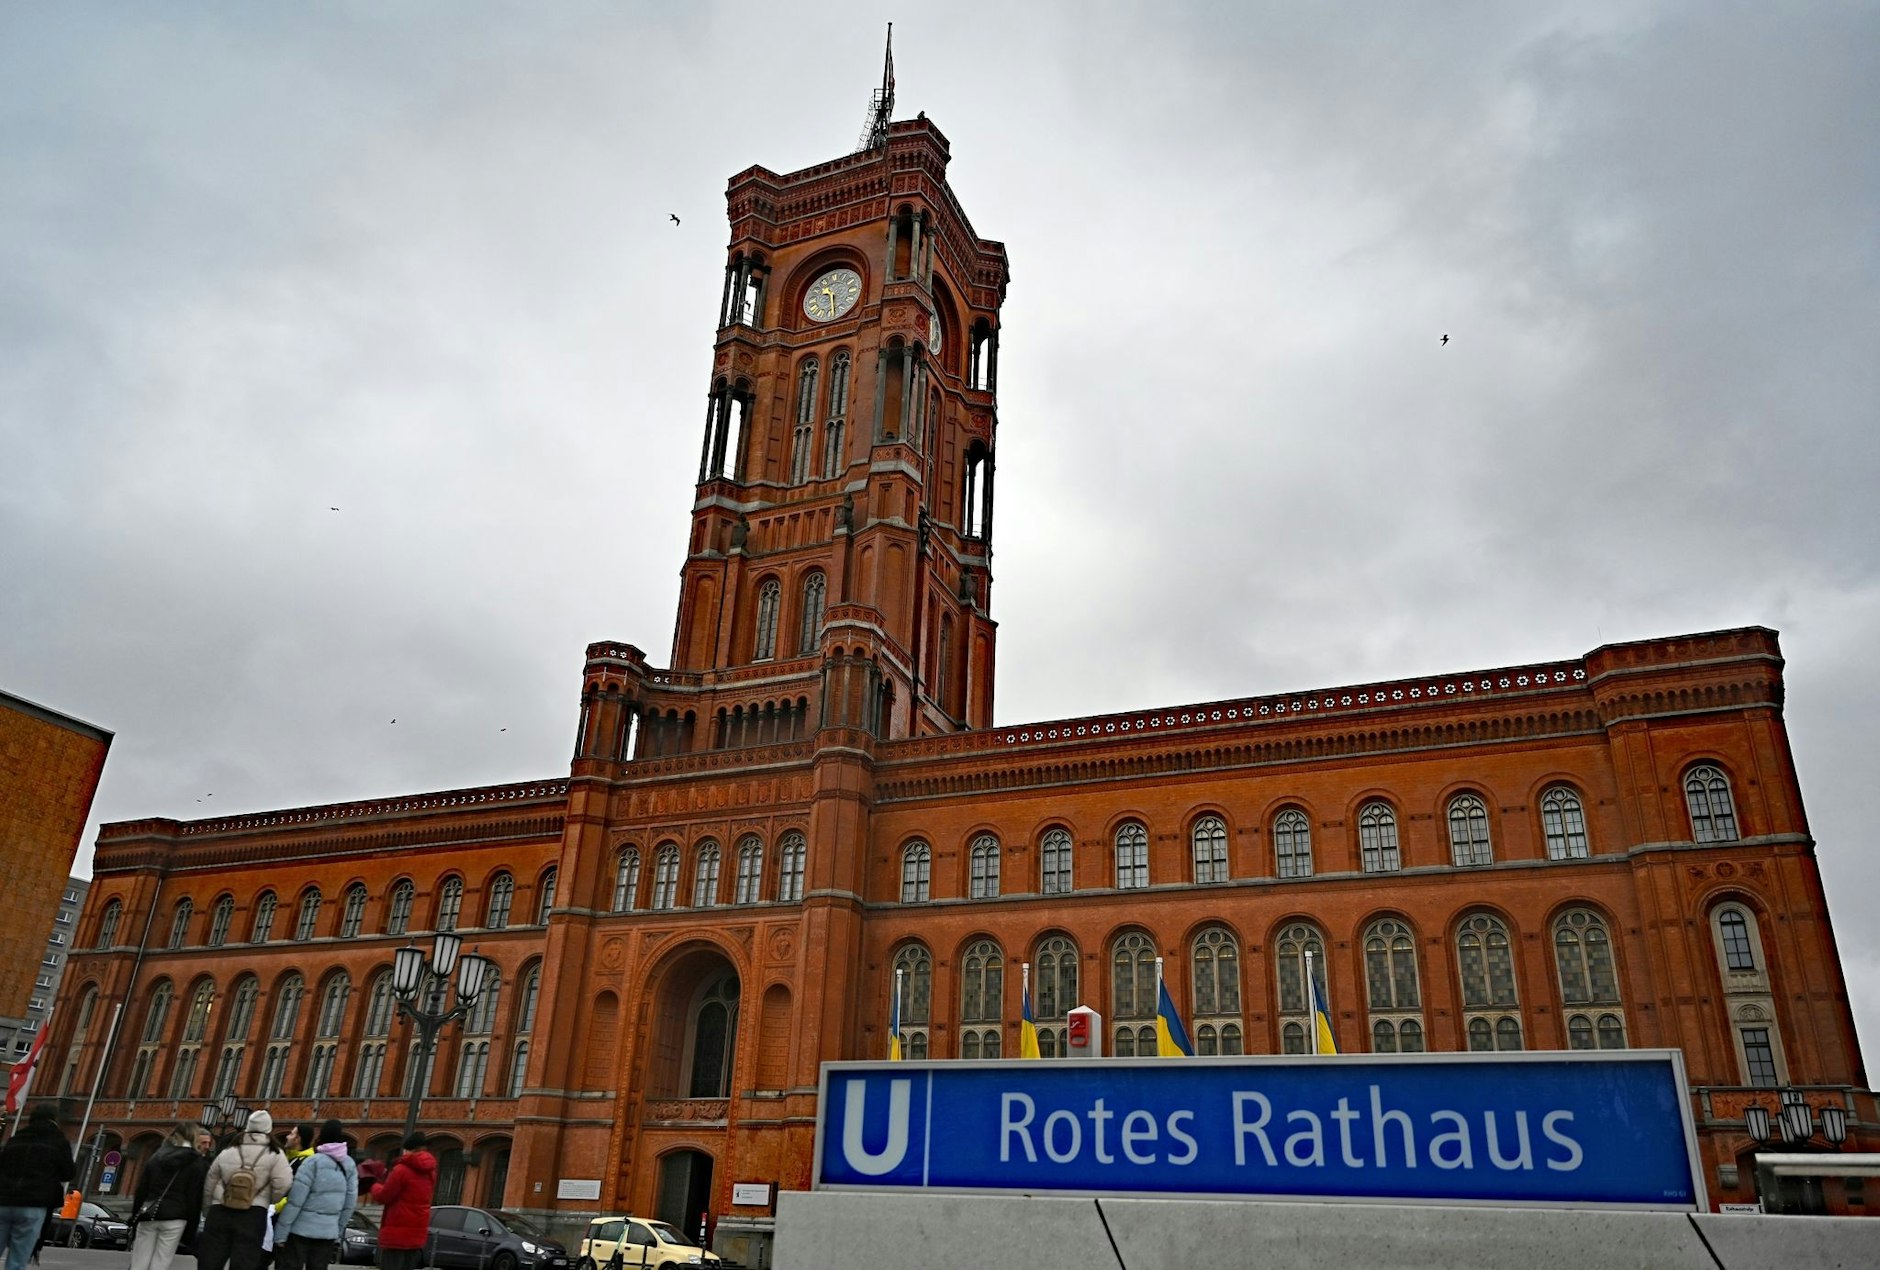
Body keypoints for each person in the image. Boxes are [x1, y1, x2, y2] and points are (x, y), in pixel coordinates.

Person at [198, 1110, 294, 1270]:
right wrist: (268, 1200)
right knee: (245, 1262)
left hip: (221, 1209)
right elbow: (284, 1183)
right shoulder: (275, 1154)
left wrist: (208, 1209)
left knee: (210, 1261)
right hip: (253, 1213)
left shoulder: (228, 1151)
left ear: (248, 1127)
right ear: (268, 1129)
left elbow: (210, 1183)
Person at [0, 1106, 73, 1270]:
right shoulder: (58, 1141)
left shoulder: (15, 1139)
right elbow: (68, 1173)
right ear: (54, 1119)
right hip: (33, 1203)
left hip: (3, 1200)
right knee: (17, 1261)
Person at [275, 1122, 356, 1270]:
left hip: (301, 1230)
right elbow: (349, 1203)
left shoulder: (312, 1162)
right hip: (328, 1232)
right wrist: (337, 1229)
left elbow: (295, 1201)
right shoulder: (349, 1164)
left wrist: (281, 1232)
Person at [128, 1123, 205, 1270]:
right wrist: (191, 1229)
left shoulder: (156, 1157)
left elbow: (141, 1190)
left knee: (139, 1261)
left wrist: (135, 1216)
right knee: (161, 1262)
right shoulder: (196, 1162)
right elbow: (194, 1198)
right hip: (176, 1217)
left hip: (149, 1214)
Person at [368, 1133, 434, 1270]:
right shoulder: (430, 1172)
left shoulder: (401, 1170)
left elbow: (384, 1196)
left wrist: (374, 1186)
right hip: (416, 1232)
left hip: (397, 1233)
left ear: (408, 1150)